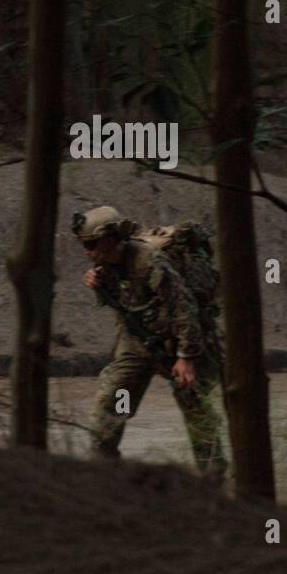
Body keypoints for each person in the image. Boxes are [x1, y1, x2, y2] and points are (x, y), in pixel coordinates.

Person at [72, 205, 228, 480]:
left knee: (194, 406)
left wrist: (187, 356)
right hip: (138, 343)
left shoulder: (149, 261)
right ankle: (104, 471)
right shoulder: (107, 263)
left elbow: (183, 306)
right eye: (85, 244)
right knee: (115, 398)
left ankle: (212, 477)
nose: (86, 251)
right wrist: (96, 283)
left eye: (91, 244)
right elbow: (124, 302)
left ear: (110, 239)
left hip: (179, 342)